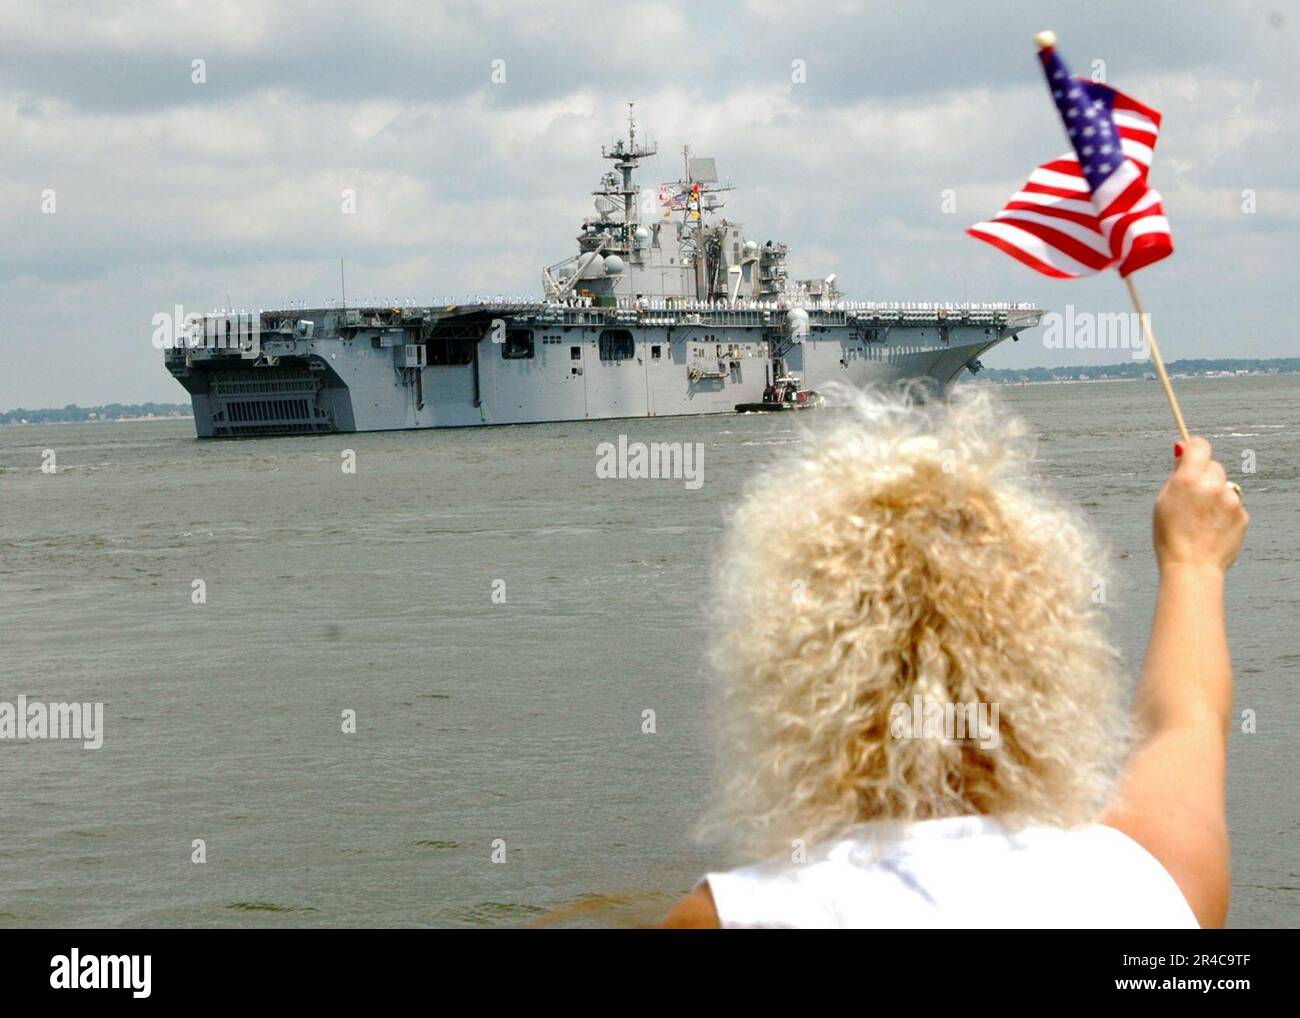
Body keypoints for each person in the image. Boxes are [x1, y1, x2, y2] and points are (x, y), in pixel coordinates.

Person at [661, 388, 1248, 928]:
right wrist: (1192, 561)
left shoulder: (736, 915)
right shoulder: (1149, 881)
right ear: (1047, 661)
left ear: (786, 675)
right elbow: (1186, 724)